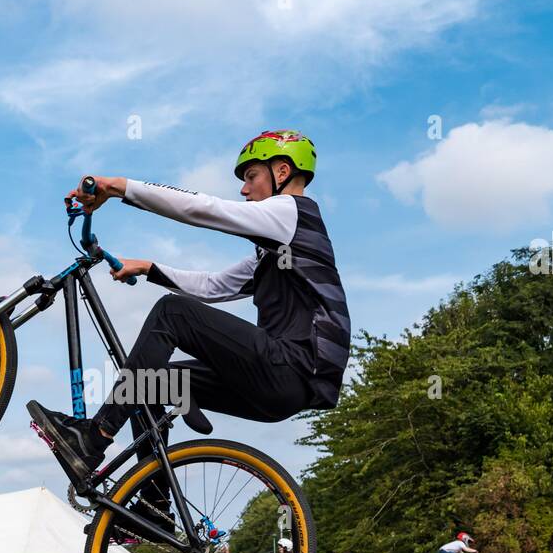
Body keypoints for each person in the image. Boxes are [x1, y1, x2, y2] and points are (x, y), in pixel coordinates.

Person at [26, 131, 349, 504]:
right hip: (276, 390)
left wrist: (117, 187)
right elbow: (213, 286)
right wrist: (149, 267)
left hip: (293, 368)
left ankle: (93, 437)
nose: (244, 190)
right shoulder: (273, 252)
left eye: (251, 177)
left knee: (172, 311)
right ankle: (155, 505)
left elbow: (205, 209)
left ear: (281, 171)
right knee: (147, 384)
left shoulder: (293, 211)